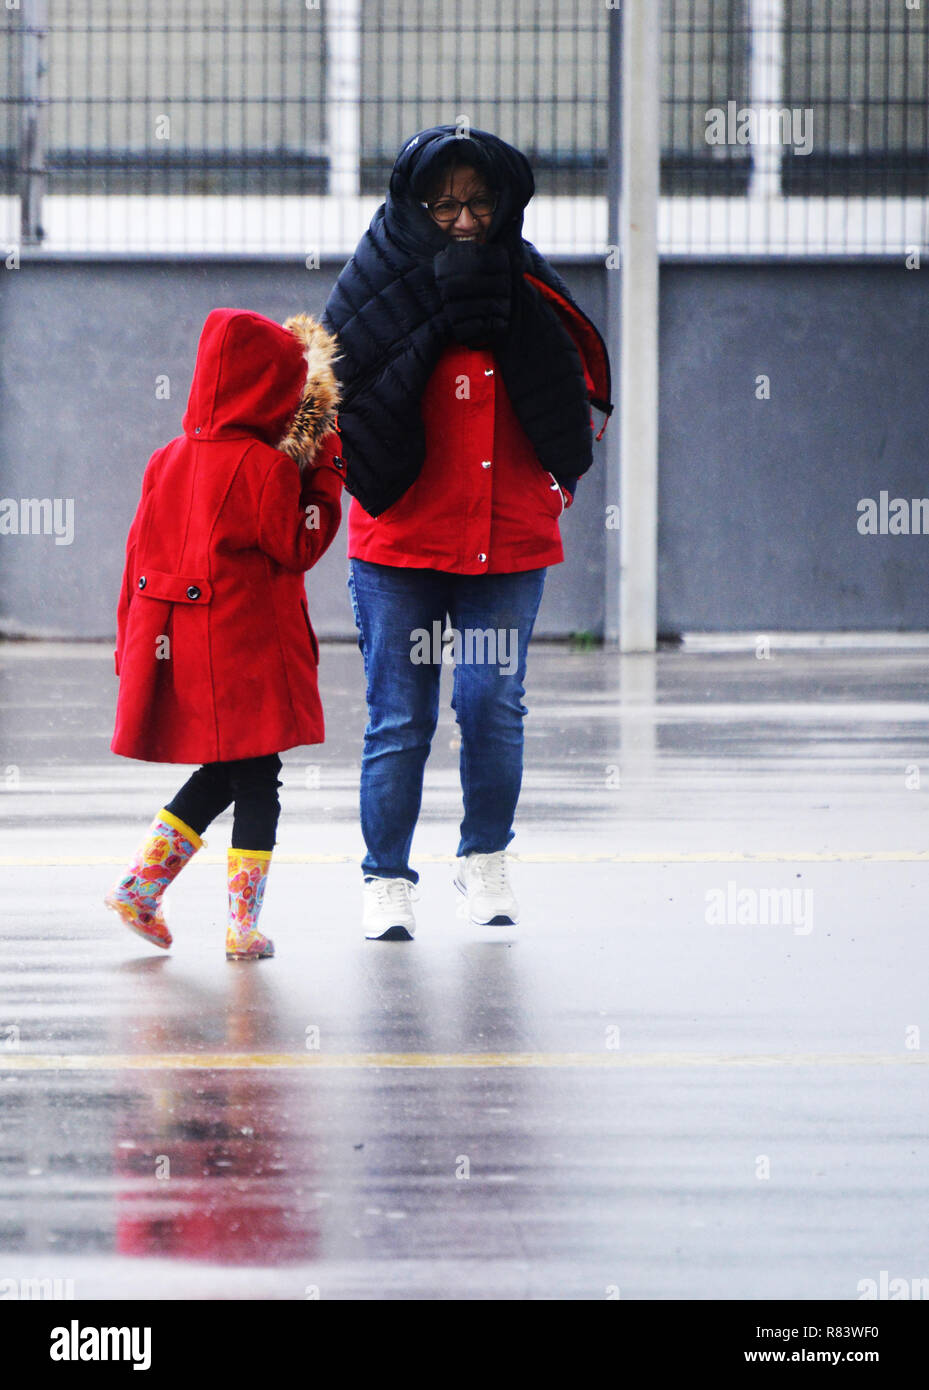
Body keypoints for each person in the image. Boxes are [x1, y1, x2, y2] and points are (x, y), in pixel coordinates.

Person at [323, 125, 612, 941]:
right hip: (399, 545)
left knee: (490, 706)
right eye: (443, 202)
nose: (461, 218)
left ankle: (483, 858)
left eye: (478, 202)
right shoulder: (374, 284)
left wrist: (557, 485)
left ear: (505, 203)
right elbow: (329, 394)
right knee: (399, 718)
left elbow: (576, 392)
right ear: (414, 204)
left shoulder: (529, 285)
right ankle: (385, 879)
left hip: (504, 542)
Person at [106, 307, 344, 959]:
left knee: (230, 768)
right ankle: (239, 925)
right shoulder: (264, 467)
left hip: (178, 643)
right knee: (257, 774)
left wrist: (130, 641)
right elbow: (299, 545)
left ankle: (141, 887)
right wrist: (325, 477)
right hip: (239, 648)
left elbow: (135, 553)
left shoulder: (167, 458)